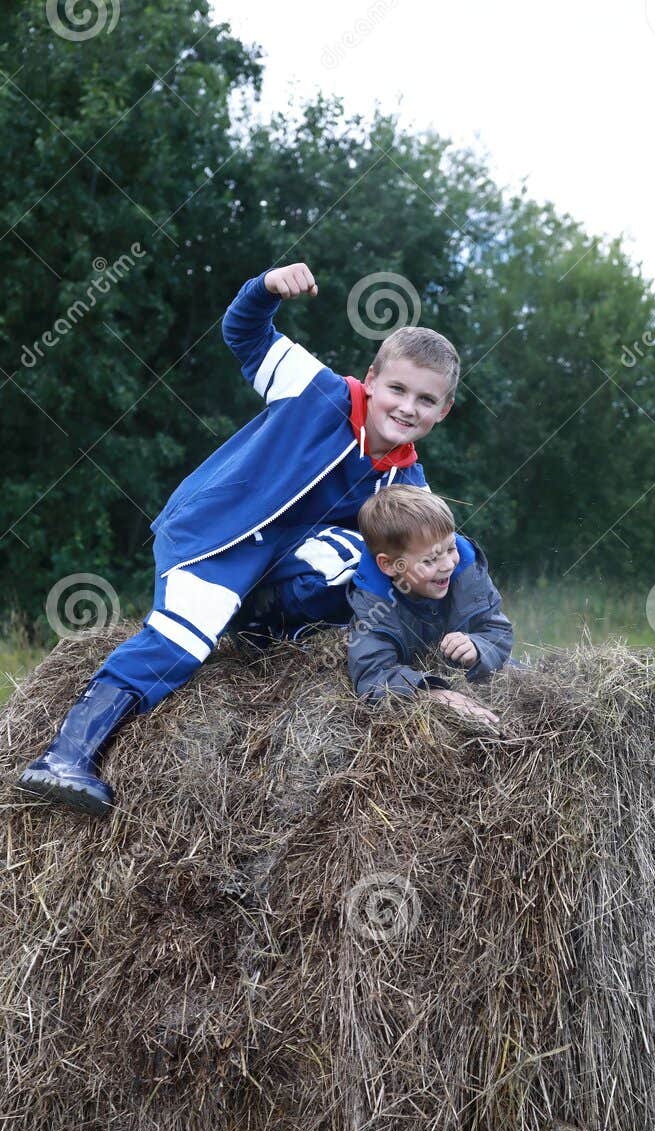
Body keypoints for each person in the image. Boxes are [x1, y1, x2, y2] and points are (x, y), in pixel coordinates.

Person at [16, 262, 458, 815]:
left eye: (424, 401)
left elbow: (425, 571)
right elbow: (245, 334)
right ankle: (64, 756)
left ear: (442, 413)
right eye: (397, 389)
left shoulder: (408, 486)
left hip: (277, 568)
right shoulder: (315, 390)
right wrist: (266, 286)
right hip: (216, 537)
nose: (406, 408)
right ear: (371, 378)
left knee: (361, 559)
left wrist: (466, 652)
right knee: (185, 640)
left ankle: (264, 637)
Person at [346, 487, 511, 726]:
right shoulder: (372, 607)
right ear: (390, 565)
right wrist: (434, 694)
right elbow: (373, 675)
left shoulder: (467, 573)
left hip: (489, 684)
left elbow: (499, 632)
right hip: (426, 688)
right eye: (430, 560)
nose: (447, 564)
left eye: (451, 548)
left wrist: (478, 648)